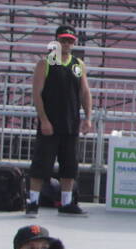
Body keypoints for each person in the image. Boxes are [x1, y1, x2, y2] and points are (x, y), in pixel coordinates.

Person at [28, 23, 93, 216]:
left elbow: (84, 91)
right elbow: (37, 94)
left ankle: (66, 202)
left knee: (69, 165)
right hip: (50, 122)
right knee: (41, 164)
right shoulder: (45, 63)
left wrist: (88, 117)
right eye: (63, 40)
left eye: (69, 41)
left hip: (70, 122)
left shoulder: (78, 64)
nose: (66, 44)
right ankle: (32, 201)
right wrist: (44, 119)